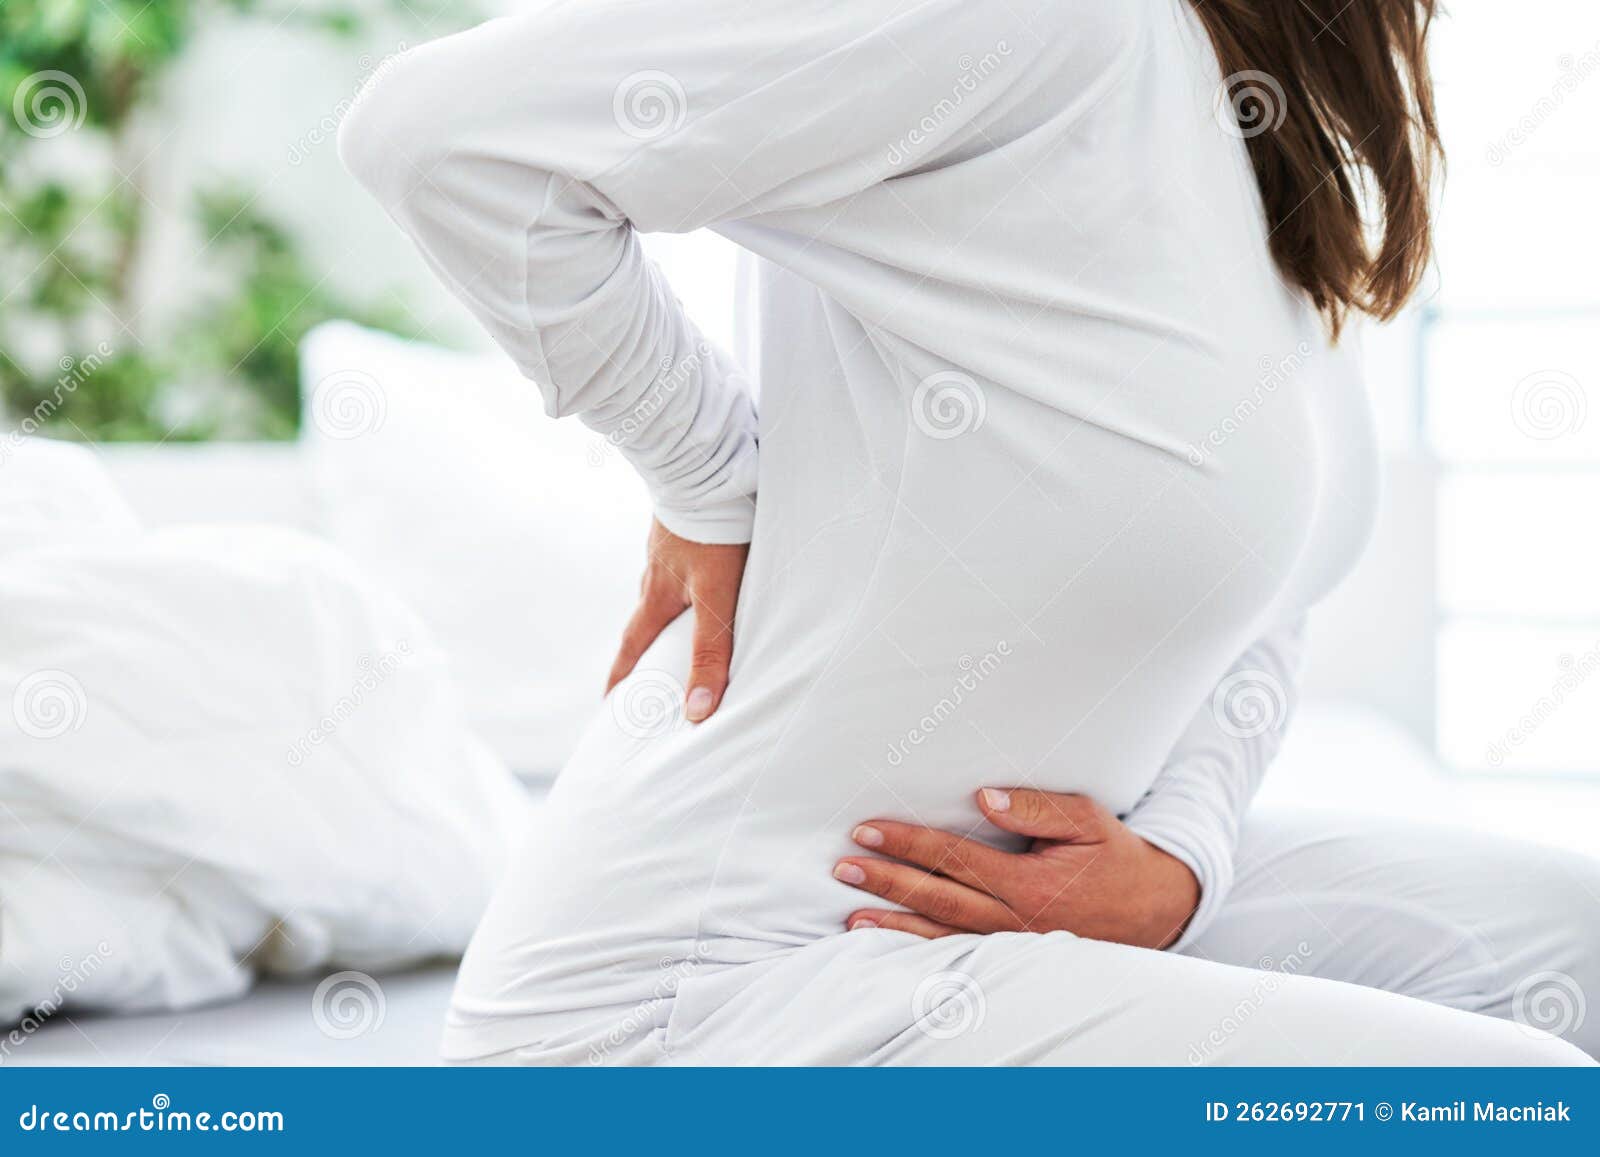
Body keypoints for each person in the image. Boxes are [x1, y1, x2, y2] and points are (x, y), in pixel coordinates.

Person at [339, 0, 1598, 1064]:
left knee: (1580, 942)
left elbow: (1264, 600)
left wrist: (1181, 861)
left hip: (1010, 921)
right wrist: (706, 476)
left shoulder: (1270, 151)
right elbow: (439, 136)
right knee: (1513, 1100)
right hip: (696, 997)